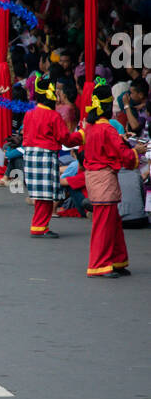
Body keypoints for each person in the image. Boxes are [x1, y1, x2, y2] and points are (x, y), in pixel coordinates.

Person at [76, 84, 143, 277]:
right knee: (104, 224)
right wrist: (134, 151)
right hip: (105, 180)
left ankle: (117, 260)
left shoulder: (92, 128)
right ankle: (99, 264)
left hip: (95, 178)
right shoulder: (107, 129)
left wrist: (121, 139)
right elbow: (125, 156)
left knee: (112, 223)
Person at [21, 76, 81, 237]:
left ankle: (39, 225)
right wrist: (82, 134)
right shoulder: (53, 116)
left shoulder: (29, 113)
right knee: (45, 196)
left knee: (41, 195)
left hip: (30, 155)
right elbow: (66, 139)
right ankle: (39, 226)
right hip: (45, 156)